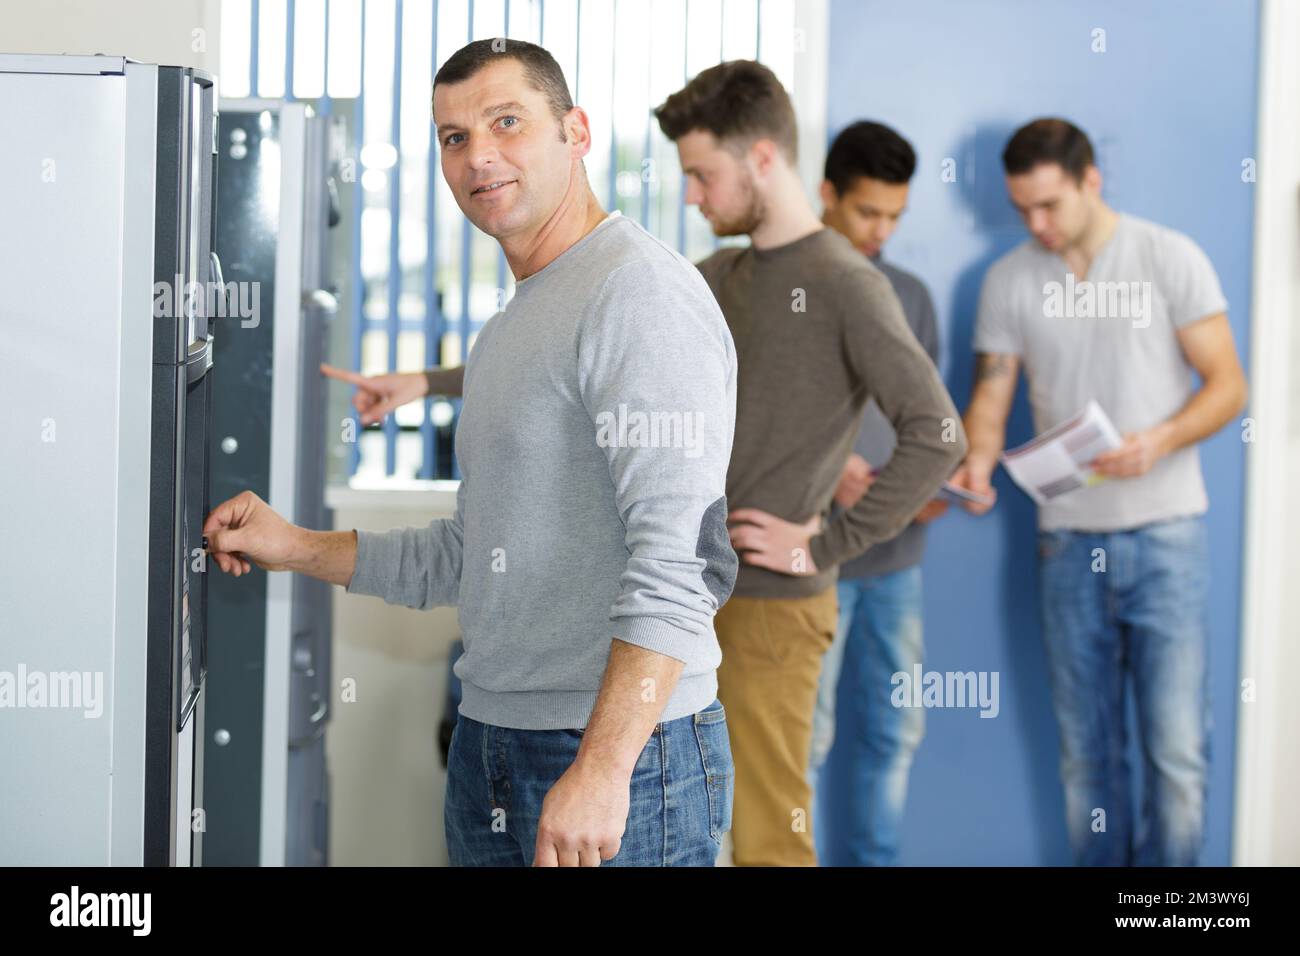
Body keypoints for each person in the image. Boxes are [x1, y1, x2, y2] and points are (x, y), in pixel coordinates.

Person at [207, 38, 740, 868]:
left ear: (577, 131)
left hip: (624, 761)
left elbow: (683, 559)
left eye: (506, 123)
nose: (478, 156)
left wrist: (602, 768)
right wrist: (296, 546)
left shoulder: (637, 293)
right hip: (494, 744)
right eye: (454, 137)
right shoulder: (508, 329)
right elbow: (475, 552)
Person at [654, 61, 967, 866]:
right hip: (683, 597)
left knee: (769, 836)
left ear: (762, 159)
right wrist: (427, 382)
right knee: (678, 825)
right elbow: (599, 357)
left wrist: (821, 546)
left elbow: (938, 433)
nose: (693, 194)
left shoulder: (844, 282)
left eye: (702, 174)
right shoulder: (720, 276)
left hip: (772, 608)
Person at [948, 118, 1248, 866]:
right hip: (1067, 543)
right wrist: (977, 462)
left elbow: (1229, 386)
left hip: (1167, 536)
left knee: (1177, 758)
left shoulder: (1167, 257)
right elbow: (990, 396)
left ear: (1091, 181)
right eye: (1022, 210)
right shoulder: (1010, 279)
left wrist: (1160, 440)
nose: (1035, 224)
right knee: (1088, 757)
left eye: (1049, 205)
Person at [808, 120, 949, 866]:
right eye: (868, 213)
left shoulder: (913, 295)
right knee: (807, 734)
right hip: (814, 562)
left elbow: (926, 418)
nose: (881, 232)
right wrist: (833, 478)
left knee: (895, 732)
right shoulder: (782, 283)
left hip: (897, 557)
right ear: (827, 194)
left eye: (895, 216)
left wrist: (931, 483)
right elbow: (741, 420)